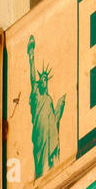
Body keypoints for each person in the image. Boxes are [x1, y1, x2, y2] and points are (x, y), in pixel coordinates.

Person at [27, 35, 66, 177]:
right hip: (39, 131)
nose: (44, 81)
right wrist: (31, 56)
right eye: (41, 79)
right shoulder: (36, 93)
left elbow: (54, 119)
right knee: (40, 159)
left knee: (50, 162)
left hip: (50, 133)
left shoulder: (49, 99)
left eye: (45, 79)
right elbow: (32, 76)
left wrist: (59, 107)